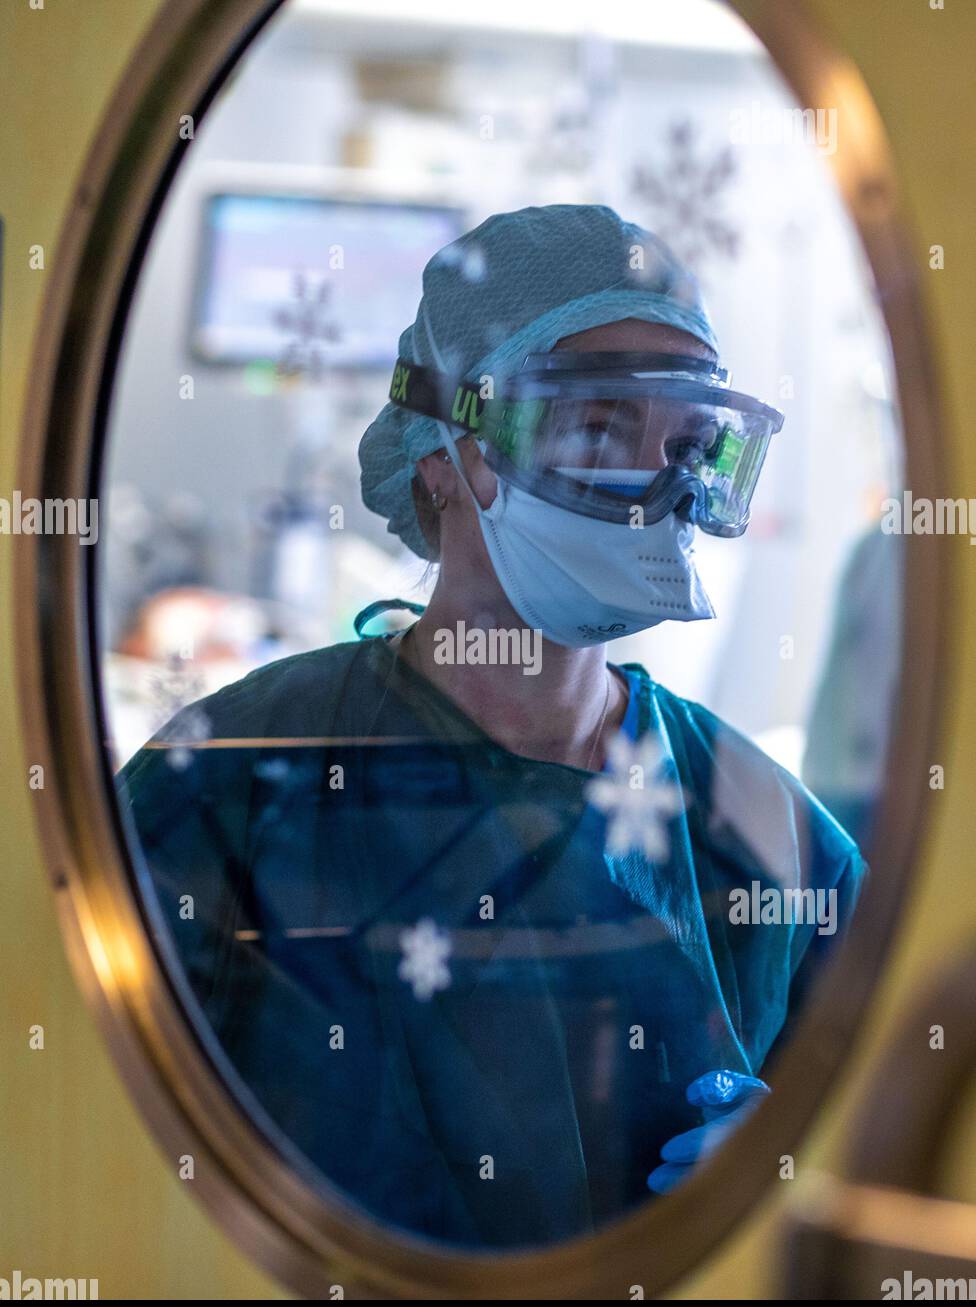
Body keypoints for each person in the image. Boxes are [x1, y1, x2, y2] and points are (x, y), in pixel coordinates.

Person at [117, 205, 866, 1249]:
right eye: (597, 425)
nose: (659, 487)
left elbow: (901, 1134)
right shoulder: (242, 778)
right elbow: (92, 1122)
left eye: (688, 441)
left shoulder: (761, 824)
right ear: (441, 456)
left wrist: (800, 1161)